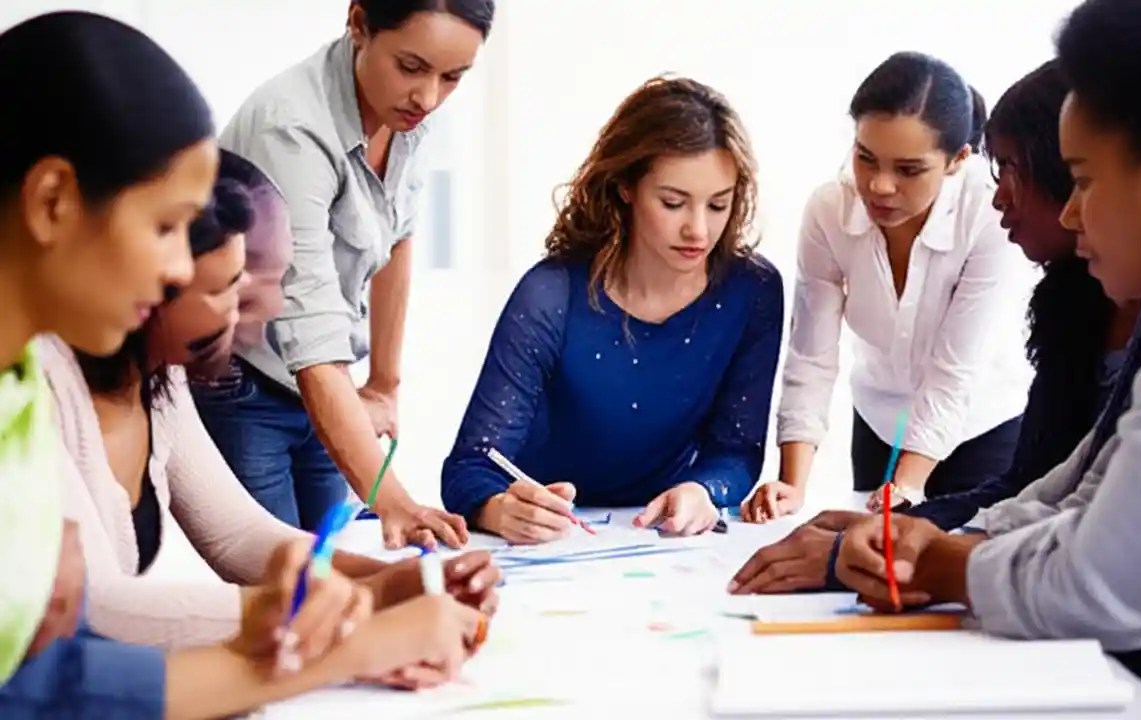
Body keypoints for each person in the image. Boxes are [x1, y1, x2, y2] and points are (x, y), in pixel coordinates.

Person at [0, 12, 483, 718]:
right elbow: (54, 683)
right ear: (52, 202)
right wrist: (357, 638)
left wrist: (318, 606)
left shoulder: (24, 391)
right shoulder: (41, 381)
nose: (177, 270)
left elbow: (62, 667)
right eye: (165, 227)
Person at [832, 1, 1141, 717]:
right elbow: (1085, 486)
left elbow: (1098, 591)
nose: (1072, 215)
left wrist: (943, 563)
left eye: (1085, 179)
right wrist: (947, 537)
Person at [45, 160, 498, 689]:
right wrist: (366, 609)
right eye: (229, 286)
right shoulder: (43, 382)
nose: (257, 306)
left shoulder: (158, 376)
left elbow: (237, 535)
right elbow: (101, 609)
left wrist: (399, 580)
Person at [200, 0, 496, 548]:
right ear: (358, 23)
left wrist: (385, 383)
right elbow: (308, 330)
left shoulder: (407, 114)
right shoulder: (291, 128)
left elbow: (396, 238)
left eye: (452, 77)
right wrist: (395, 503)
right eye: (411, 67)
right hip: (245, 383)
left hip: (325, 379)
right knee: (280, 587)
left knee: (327, 570)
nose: (429, 97)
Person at [440, 76, 784, 544]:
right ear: (625, 186)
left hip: (663, 548)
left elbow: (738, 449)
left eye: (718, 205)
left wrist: (703, 490)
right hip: (548, 547)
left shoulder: (753, 290)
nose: (698, 230)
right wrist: (498, 509)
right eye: (673, 202)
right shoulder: (551, 294)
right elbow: (470, 465)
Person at [744, 52, 1038, 519]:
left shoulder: (987, 214)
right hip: (882, 426)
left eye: (908, 169)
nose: (879, 186)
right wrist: (790, 485)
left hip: (982, 430)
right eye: (865, 158)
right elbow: (811, 357)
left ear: (957, 159)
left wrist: (906, 485)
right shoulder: (828, 211)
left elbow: (954, 371)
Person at [900, 61, 1141, 531]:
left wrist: (932, 554)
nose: (998, 197)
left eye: (1008, 167)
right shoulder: (1072, 304)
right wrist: (900, 528)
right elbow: (1035, 486)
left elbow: (1101, 523)